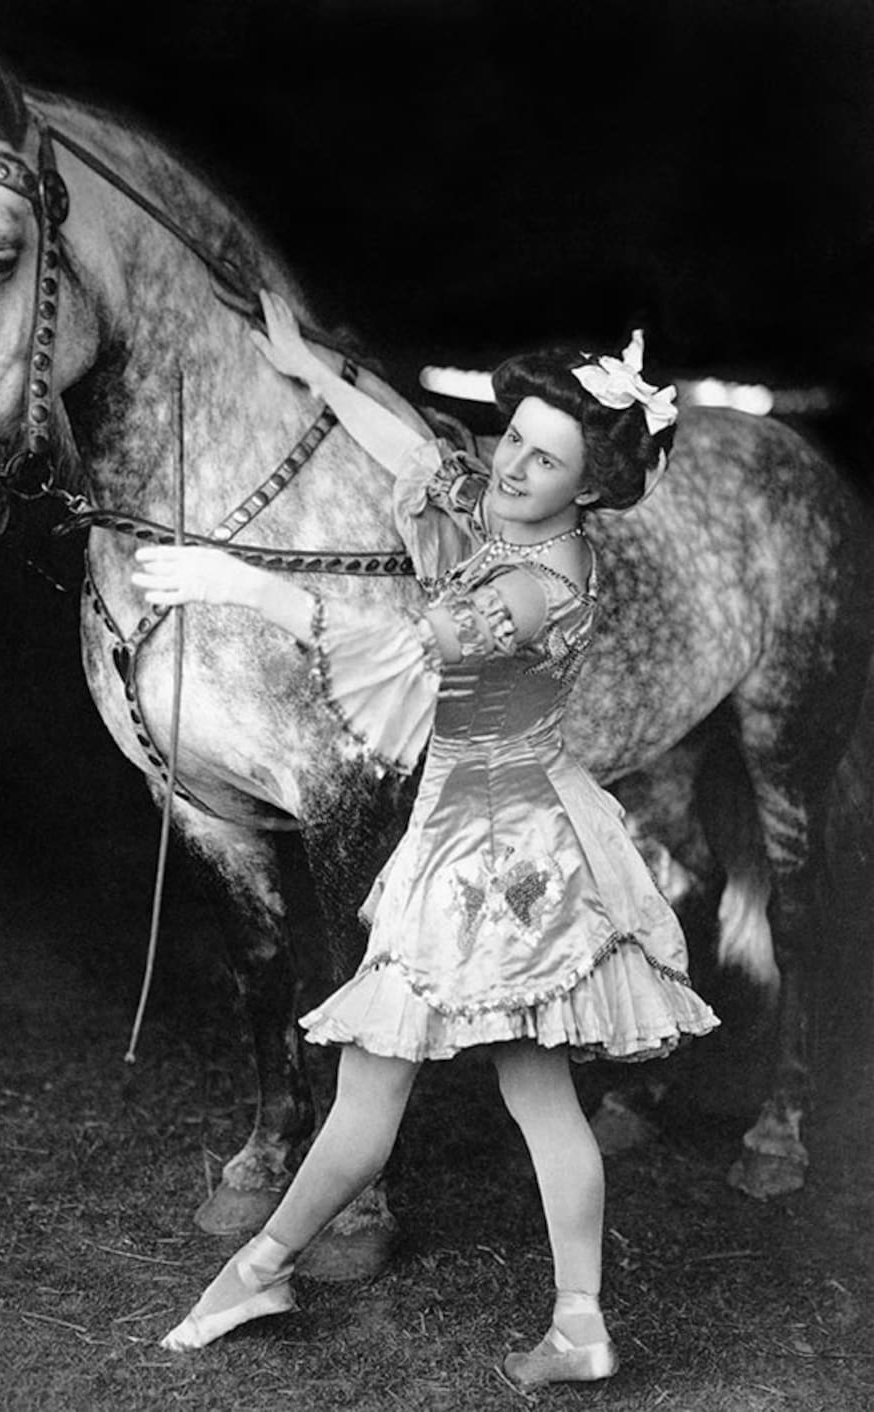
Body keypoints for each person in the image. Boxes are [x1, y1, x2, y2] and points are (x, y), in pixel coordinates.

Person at [131, 291, 719, 1387]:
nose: (510, 467)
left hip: (493, 856)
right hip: (499, 827)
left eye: (545, 459)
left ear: (589, 485)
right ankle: (570, 1320)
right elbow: (420, 452)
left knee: (393, 1086)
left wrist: (232, 580)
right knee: (502, 1092)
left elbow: (397, 639)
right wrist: (316, 370)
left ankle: (265, 1267)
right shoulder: (515, 524)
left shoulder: (540, 585)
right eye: (513, 440)